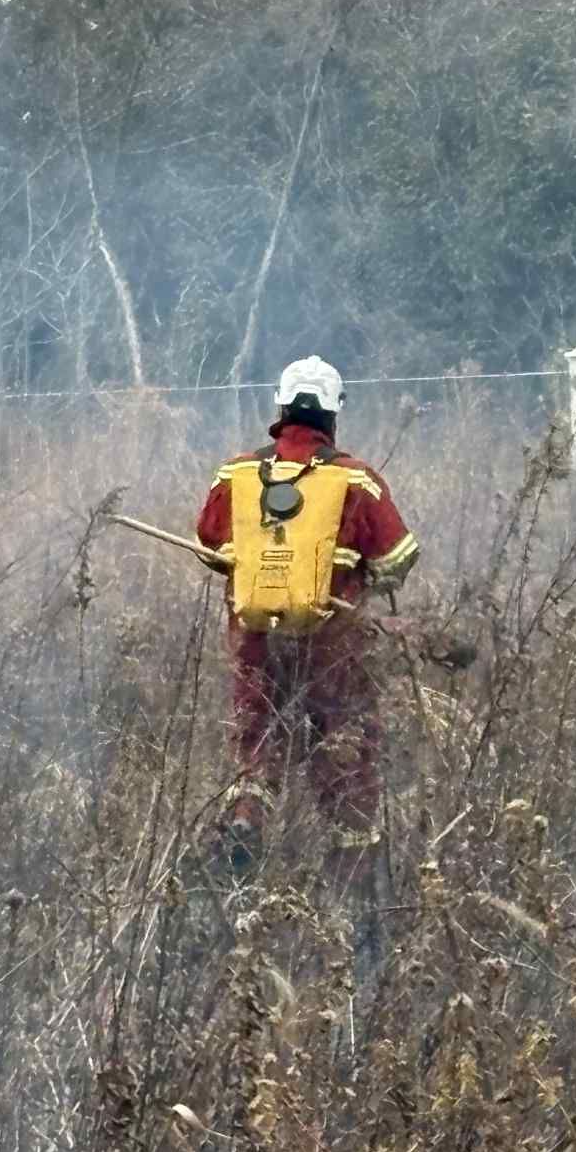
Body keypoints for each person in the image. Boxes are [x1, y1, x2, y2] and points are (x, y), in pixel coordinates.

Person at [195, 356, 419, 875]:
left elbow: (209, 547)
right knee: (343, 745)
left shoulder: (238, 473)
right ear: (333, 415)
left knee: (258, 741)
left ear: (281, 406)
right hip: (333, 643)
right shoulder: (357, 481)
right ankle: (351, 871)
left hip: (255, 637)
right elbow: (398, 558)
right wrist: (364, 579)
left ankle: (248, 821)